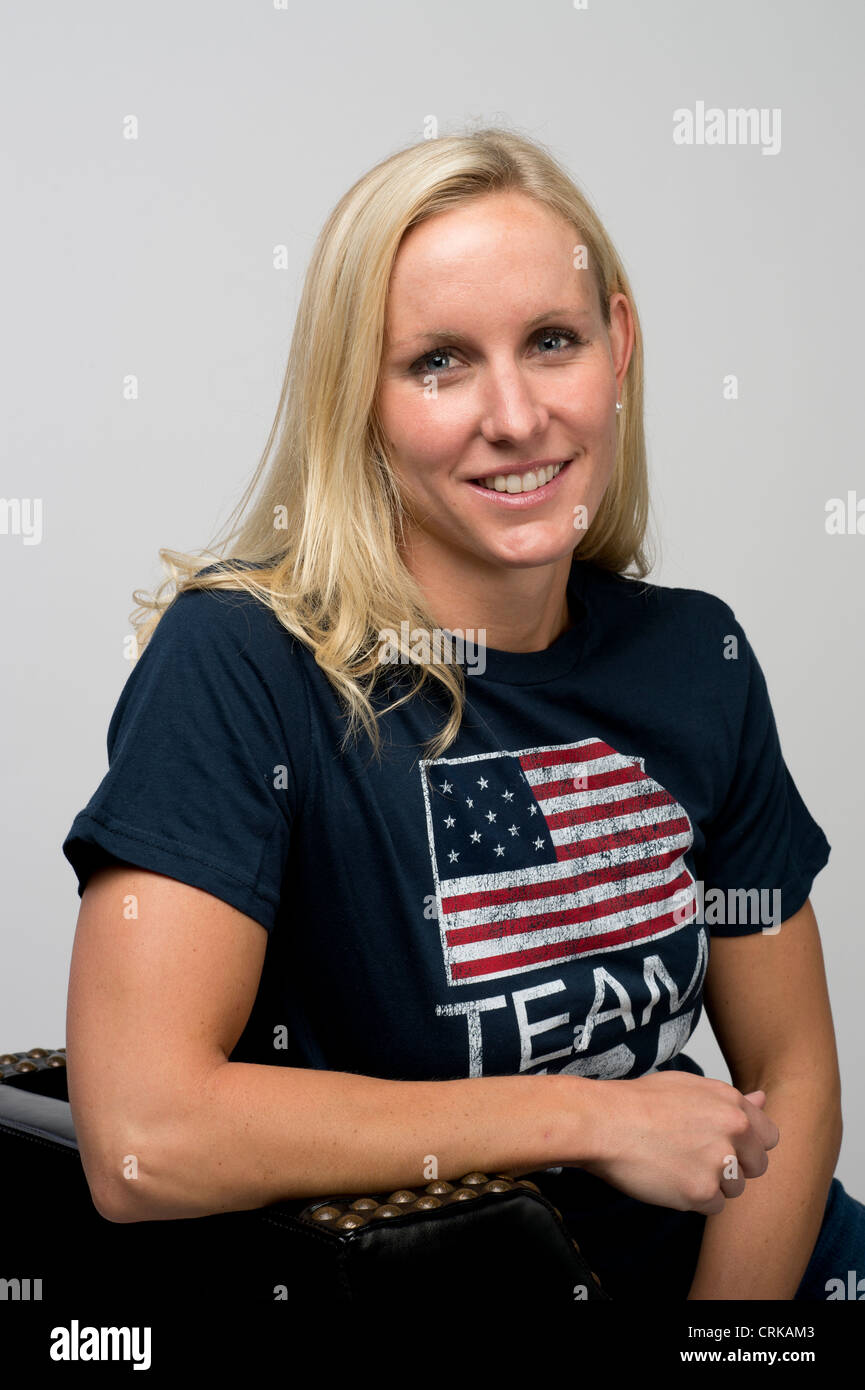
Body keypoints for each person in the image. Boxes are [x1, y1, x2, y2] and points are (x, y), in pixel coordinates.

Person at [63, 126, 862, 1302]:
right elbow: (145, 1137)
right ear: (359, 400)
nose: (515, 414)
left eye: (551, 341)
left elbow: (792, 1075)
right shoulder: (240, 660)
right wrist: (587, 1119)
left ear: (618, 344)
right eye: (437, 362)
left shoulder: (699, 654)